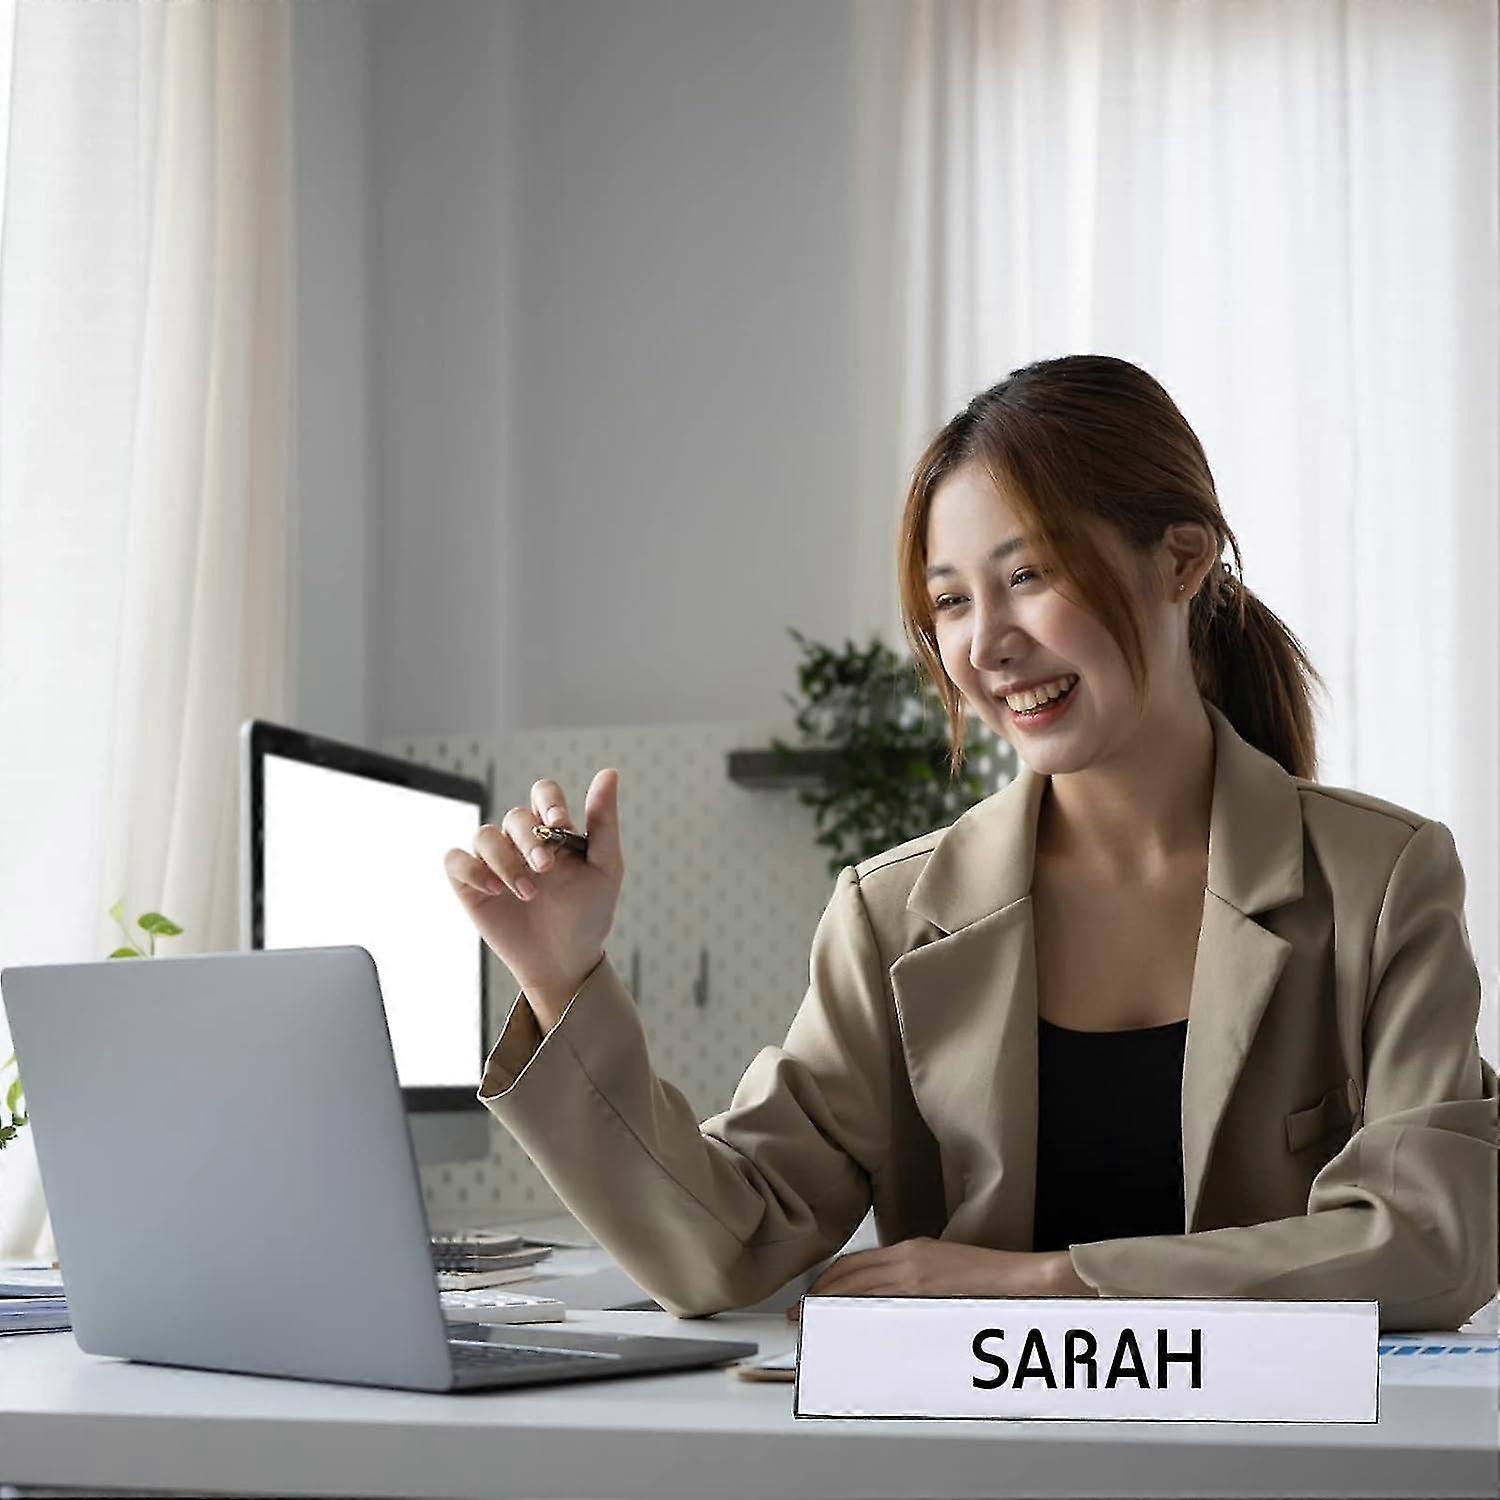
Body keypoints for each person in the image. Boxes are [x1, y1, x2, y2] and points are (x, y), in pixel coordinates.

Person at [444, 354, 1499, 1331]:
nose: (986, 645)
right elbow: (728, 1243)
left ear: (1183, 561)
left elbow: (1431, 1245)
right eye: (950, 601)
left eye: (1030, 575)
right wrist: (561, 976)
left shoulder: (1380, 881)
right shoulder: (891, 917)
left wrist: (1054, 1279)